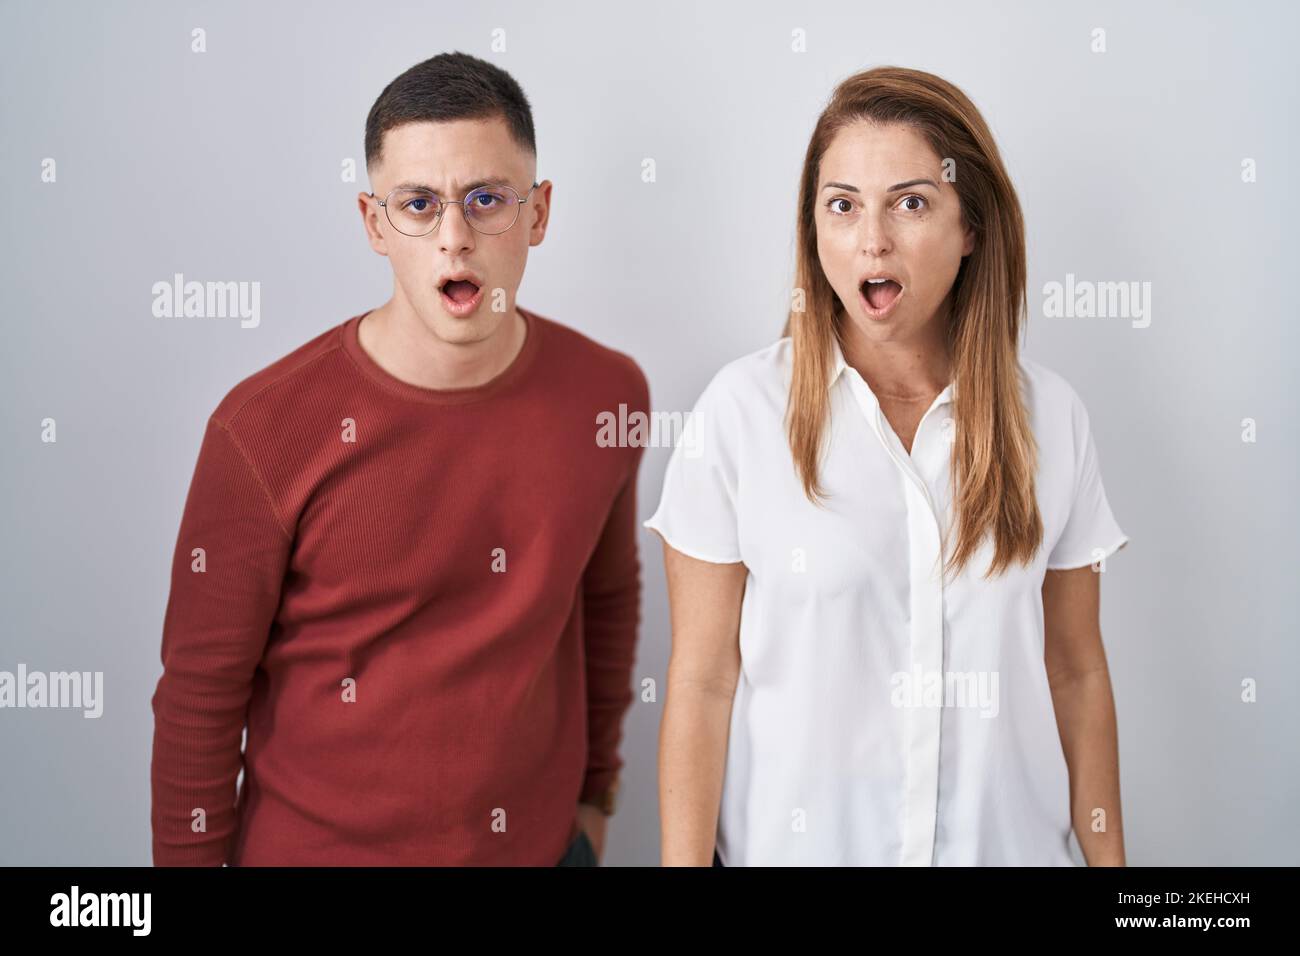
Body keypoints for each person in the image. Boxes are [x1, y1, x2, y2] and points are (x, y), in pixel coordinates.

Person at [151, 52, 646, 866]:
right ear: (375, 224)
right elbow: (199, 701)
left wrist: (596, 795)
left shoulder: (607, 394)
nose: (455, 237)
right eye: (419, 204)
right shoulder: (262, 430)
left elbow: (608, 602)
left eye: (487, 200)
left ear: (539, 213)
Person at [647, 66, 1130, 866]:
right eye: (842, 205)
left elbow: (1077, 677)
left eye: (910, 203)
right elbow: (700, 685)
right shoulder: (738, 414)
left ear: (972, 226)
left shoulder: (1053, 419)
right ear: (815, 227)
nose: (872, 239)